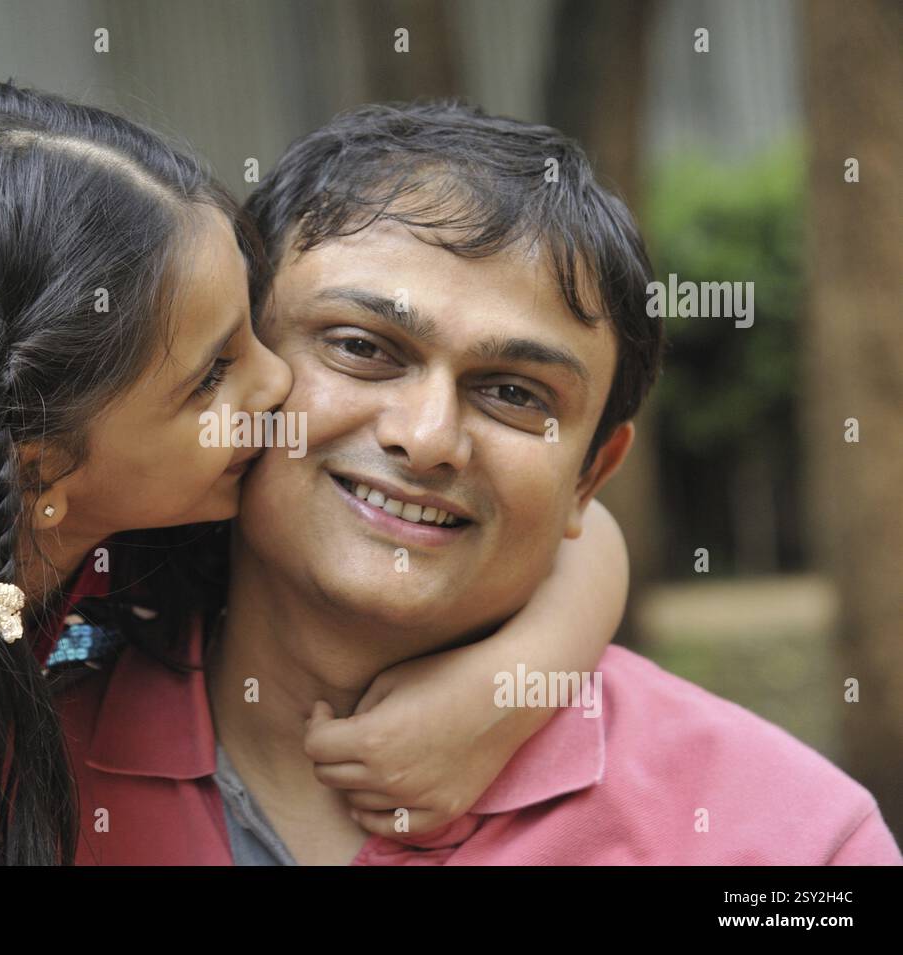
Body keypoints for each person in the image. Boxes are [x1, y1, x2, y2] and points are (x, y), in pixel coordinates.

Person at [0, 82, 629, 865]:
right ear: (43, 464)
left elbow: (572, 523)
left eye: (251, 324)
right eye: (216, 372)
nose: (282, 387)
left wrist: (497, 695)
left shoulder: (158, 460)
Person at [54, 101, 903, 866]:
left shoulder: (794, 843)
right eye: (360, 346)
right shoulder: (1, 745)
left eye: (514, 393)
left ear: (591, 477)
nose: (426, 439)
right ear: (237, 362)